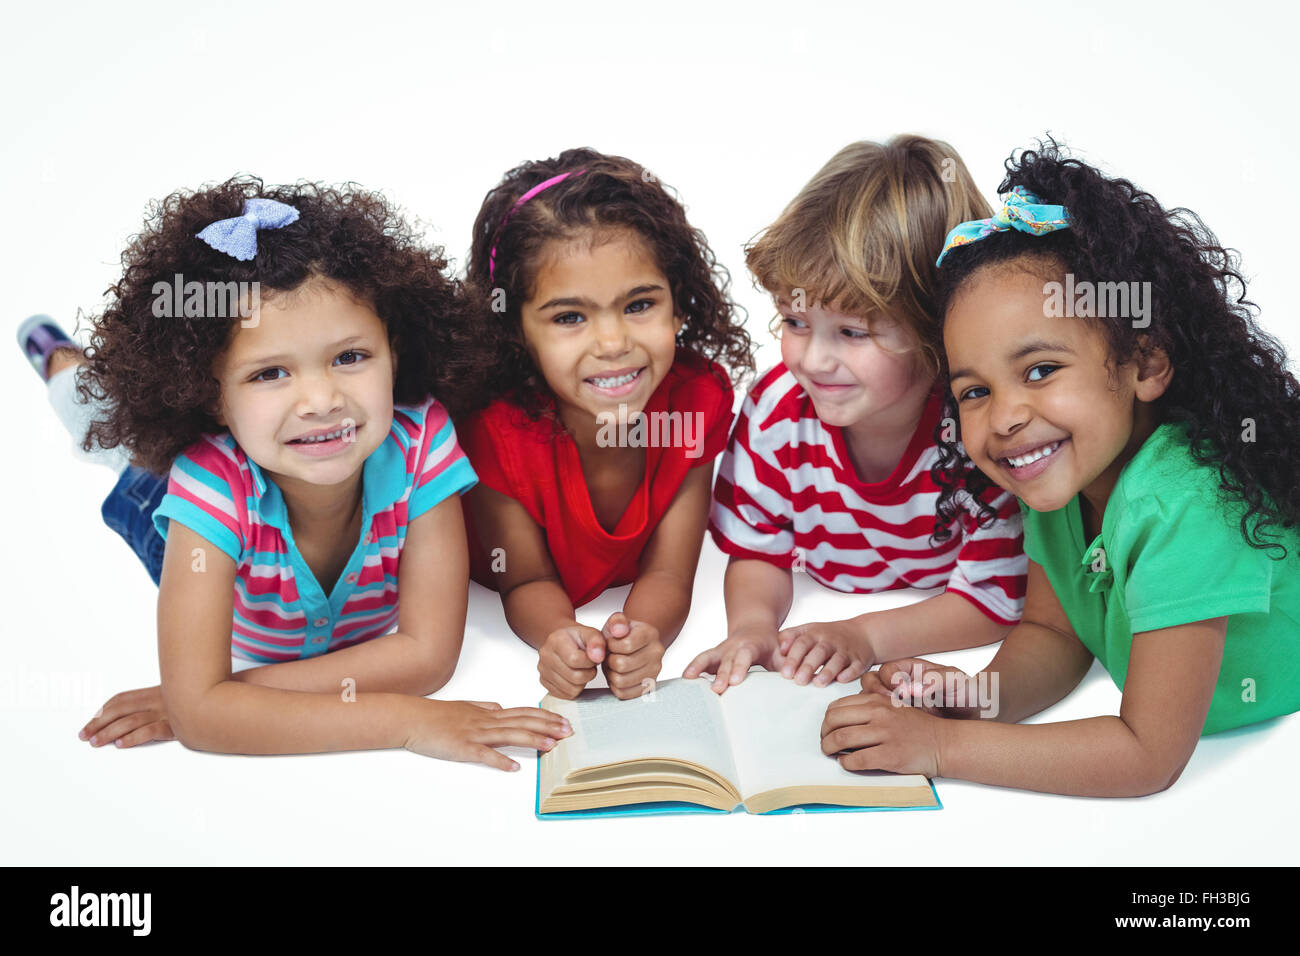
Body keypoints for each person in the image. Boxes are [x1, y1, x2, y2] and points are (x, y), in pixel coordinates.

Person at [19, 178, 568, 766]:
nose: (320, 400)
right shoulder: (206, 485)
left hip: (249, 518)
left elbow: (428, 657)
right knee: (105, 428)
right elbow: (203, 720)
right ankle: (58, 357)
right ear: (213, 397)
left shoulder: (423, 439)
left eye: (349, 357)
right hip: (176, 519)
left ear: (395, 353)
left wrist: (221, 698)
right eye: (269, 373)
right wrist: (407, 722)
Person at [823, 141, 1300, 796]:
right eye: (974, 391)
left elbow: (1146, 756)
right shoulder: (1057, 476)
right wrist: (971, 697)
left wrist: (939, 744)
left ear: (1146, 363)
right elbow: (1054, 635)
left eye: (1041, 370)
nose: (1005, 417)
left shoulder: (1185, 503)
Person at [685, 135, 1027, 694]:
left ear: (935, 327)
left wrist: (864, 637)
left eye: (851, 332)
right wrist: (753, 628)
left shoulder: (980, 431)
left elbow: (994, 600)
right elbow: (759, 551)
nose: (814, 360)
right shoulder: (776, 412)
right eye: (795, 323)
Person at [458, 148, 754, 700]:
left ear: (679, 305)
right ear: (517, 329)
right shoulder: (495, 431)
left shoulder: (697, 400)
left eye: (639, 305)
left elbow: (669, 573)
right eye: (570, 317)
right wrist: (560, 637)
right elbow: (525, 579)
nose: (613, 344)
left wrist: (642, 637)